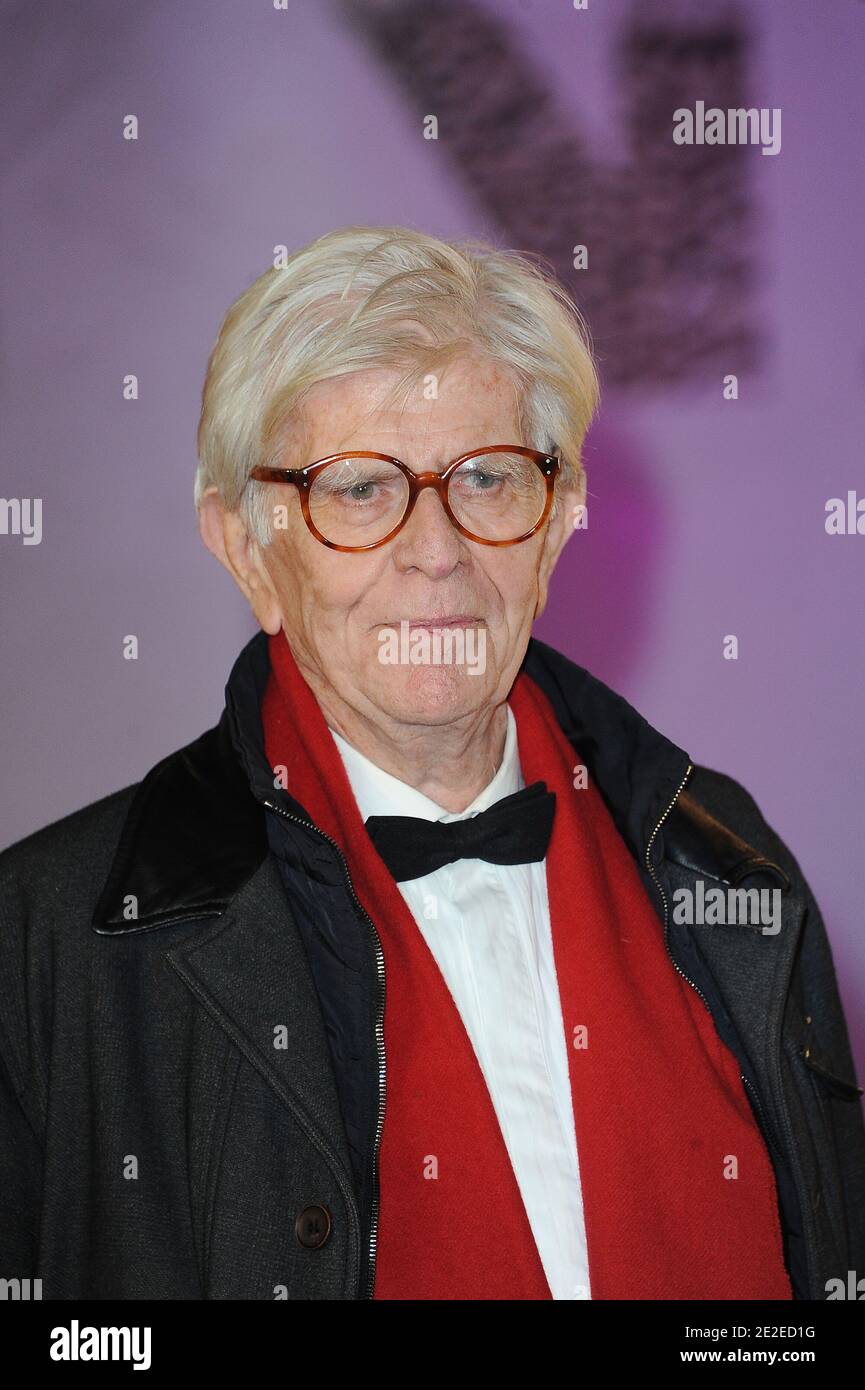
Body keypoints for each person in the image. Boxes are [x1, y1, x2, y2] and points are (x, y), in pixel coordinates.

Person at [1, 226, 863, 1301]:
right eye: (360, 489)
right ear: (244, 547)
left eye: (487, 479)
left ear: (550, 529)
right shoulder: (48, 942)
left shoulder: (731, 870)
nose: (437, 548)